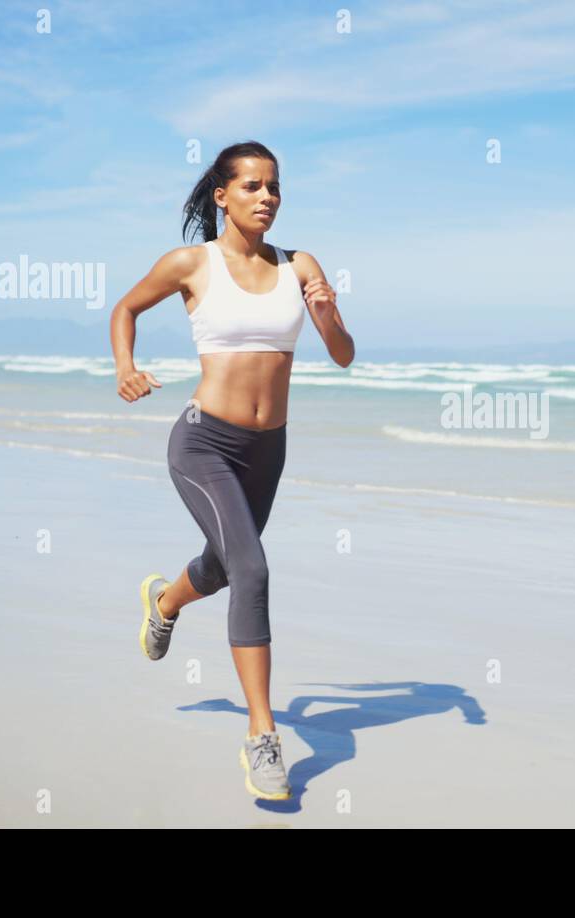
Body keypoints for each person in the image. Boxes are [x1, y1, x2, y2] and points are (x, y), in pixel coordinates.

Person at [108, 140, 354, 800]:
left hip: (267, 450)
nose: (267, 197)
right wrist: (126, 369)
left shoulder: (299, 265)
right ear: (223, 196)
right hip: (203, 444)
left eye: (274, 187)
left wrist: (328, 316)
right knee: (252, 568)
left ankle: (163, 601)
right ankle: (262, 736)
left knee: (221, 568)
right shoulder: (192, 263)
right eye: (252, 186)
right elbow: (125, 308)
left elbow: (344, 354)